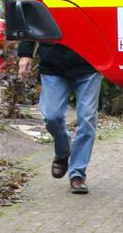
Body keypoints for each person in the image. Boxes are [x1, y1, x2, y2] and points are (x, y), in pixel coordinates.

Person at [17, 40, 101, 195]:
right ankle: (63, 152)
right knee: (52, 116)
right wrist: (25, 54)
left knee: (87, 118)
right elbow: (32, 20)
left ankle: (77, 174)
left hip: (90, 63)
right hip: (53, 64)